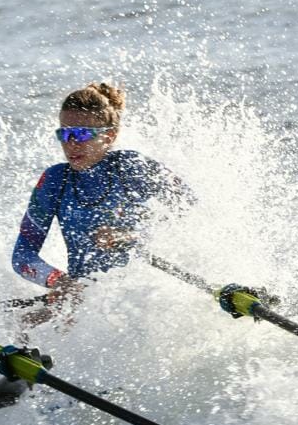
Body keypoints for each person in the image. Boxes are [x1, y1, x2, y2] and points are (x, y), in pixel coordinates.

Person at [11, 82, 189, 313]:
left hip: (144, 296)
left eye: (82, 134)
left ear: (109, 136)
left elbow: (192, 212)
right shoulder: (54, 181)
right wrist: (59, 281)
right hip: (86, 299)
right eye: (64, 134)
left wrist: (133, 235)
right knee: (20, 323)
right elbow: (22, 256)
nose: (71, 144)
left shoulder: (131, 167)